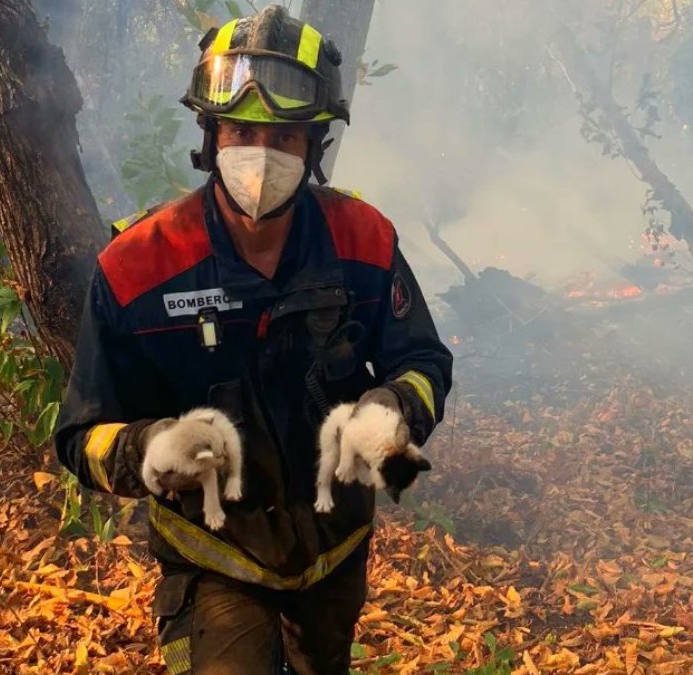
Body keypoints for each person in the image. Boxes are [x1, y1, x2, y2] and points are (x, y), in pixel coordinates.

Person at [52, 6, 453, 674]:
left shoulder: (364, 240)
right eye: (241, 129)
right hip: (215, 558)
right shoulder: (137, 266)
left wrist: (392, 407)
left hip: (334, 545)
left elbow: (423, 361)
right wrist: (150, 449)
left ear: (314, 146)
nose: (261, 155)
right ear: (210, 137)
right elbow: (79, 435)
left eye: (286, 137)